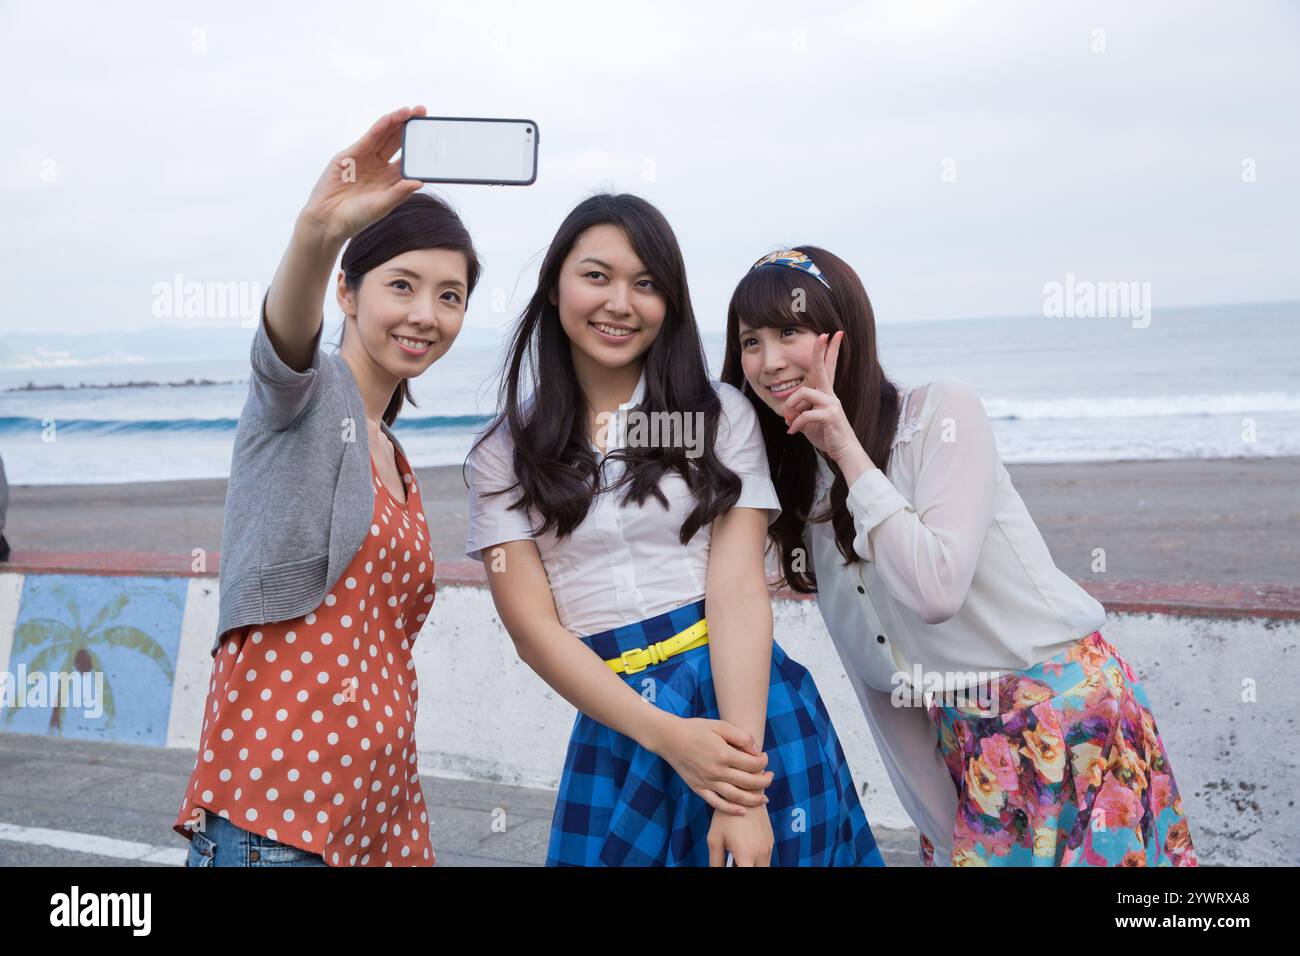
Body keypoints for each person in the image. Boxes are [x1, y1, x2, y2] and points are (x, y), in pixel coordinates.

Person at [722, 246, 1198, 867]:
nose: (769, 360)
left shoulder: (940, 414)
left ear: (843, 333)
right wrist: (937, 823)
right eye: (750, 342)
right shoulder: (795, 483)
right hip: (963, 744)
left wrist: (845, 449)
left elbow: (935, 590)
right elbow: (877, 668)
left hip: (1068, 717)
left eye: (790, 331)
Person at [465, 197, 884, 866]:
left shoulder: (720, 415)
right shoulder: (502, 451)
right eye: (597, 276)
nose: (620, 303)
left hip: (751, 717)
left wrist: (739, 797)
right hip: (622, 728)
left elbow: (739, 590)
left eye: (646, 283)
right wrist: (668, 737)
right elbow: (533, 631)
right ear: (555, 286)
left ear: (671, 301)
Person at [174, 105, 479, 866]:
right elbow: (281, 343)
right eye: (402, 286)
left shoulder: (395, 456)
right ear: (346, 293)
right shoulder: (305, 399)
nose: (426, 314)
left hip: (376, 823)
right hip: (274, 823)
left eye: (450, 295)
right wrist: (319, 229)